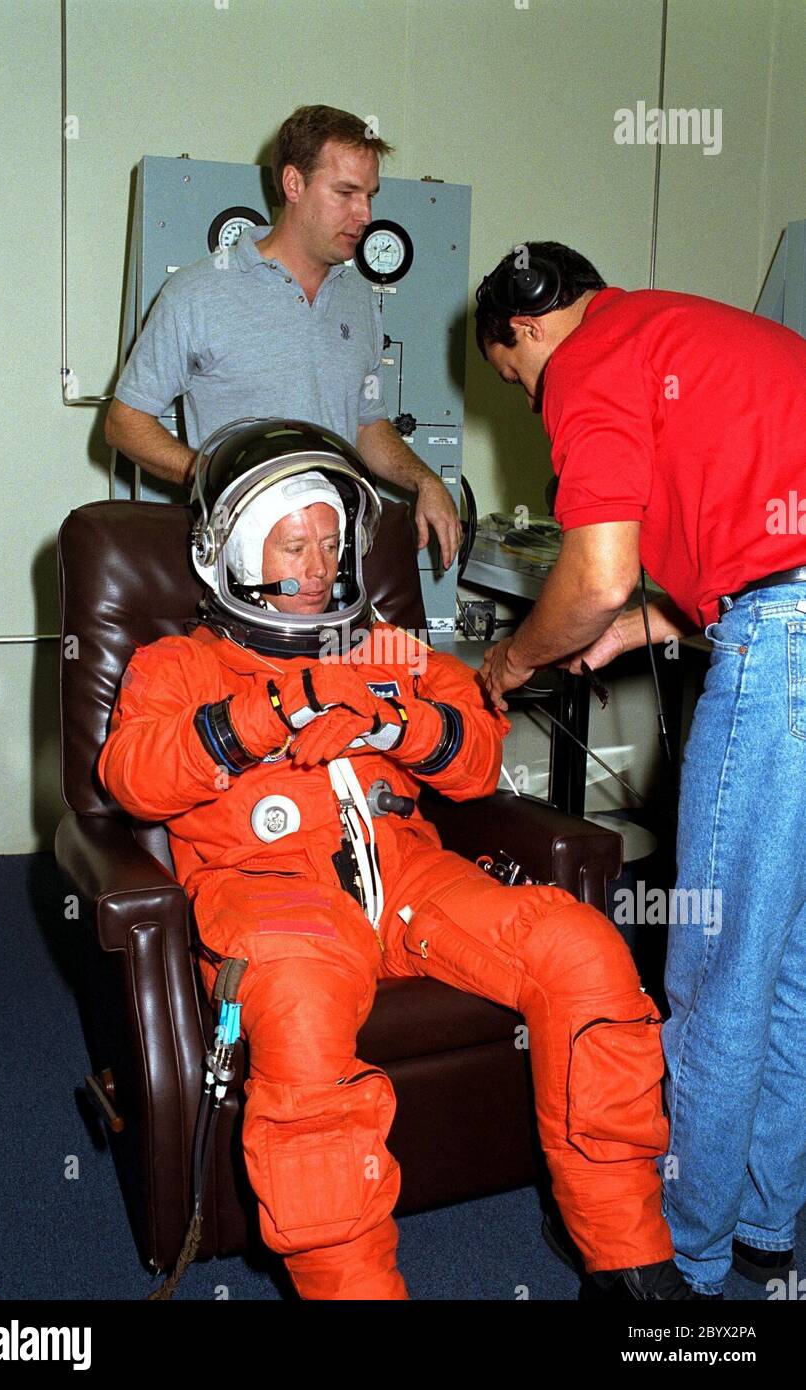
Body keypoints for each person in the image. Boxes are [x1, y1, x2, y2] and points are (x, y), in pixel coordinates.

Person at [97, 416, 697, 1302]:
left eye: (331, 544)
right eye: (291, 545)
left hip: (413, 883)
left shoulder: (386, 647)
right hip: (274, 902)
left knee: (585, 951)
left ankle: (630, 1258)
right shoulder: (178, 664)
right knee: (301, 1026)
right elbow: (134, 779)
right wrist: (275, 708)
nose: (315, 568)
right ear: (226, 554)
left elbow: (478, 756)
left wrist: (397, 724)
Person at [475, 240, 806, 1297]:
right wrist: (636, 629)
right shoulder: (684, 326)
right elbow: (753, 533)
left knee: (712, 970)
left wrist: (514, 655)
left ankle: (675, 1257)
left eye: (512, 379)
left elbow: (596, 565)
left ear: (522, 329)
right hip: (782, 607)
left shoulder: (586, 359)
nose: (530, 400)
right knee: (790, 961)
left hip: (786, 642)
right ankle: (762, 1220)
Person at [104, 103, 461, 571]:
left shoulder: (359, 298)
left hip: (337, 559)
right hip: (240, 563)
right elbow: (124, 422)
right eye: (346, 193)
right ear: (294, 184)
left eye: (370, 194)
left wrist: (425, 481)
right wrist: (210, 475)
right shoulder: (198, 292)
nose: (365, 214)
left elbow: (366, 426)